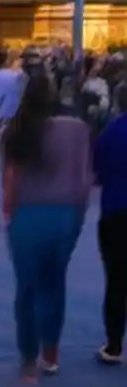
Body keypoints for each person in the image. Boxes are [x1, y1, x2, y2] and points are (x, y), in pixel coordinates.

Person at [1, 73, 93, 382]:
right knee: (54, 284)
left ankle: (28, 359)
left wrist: (9, 215)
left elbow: (10, 180)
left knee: (26, 289)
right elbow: (84, 179)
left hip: (27, 215)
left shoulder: (18, 131)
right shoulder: (77, 129)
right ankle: (50, 353)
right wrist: (78, 216)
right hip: (65, 215)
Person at [94, 85, 127, 365]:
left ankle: (114, 344)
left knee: (116, 281)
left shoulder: (109, 134)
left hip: (116, 212)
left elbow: (97, 173)